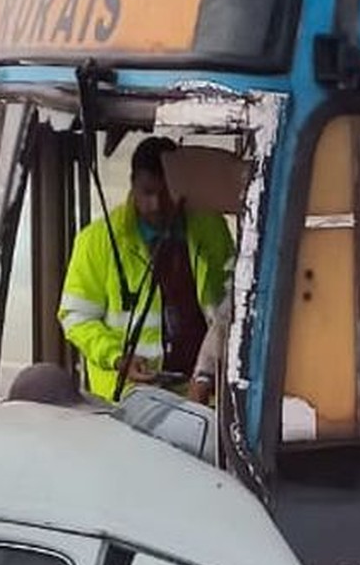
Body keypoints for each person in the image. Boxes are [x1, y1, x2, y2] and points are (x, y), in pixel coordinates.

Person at [58, 137, 234, 402]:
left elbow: (230, 308)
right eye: (148, 192)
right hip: (126, 400)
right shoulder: (96, 240)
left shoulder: (212, 228)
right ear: (132, 184)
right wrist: (118, 358)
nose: (158, 204)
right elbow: (76, 318)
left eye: (167, 193)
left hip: (201, 395)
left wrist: (206, 375)